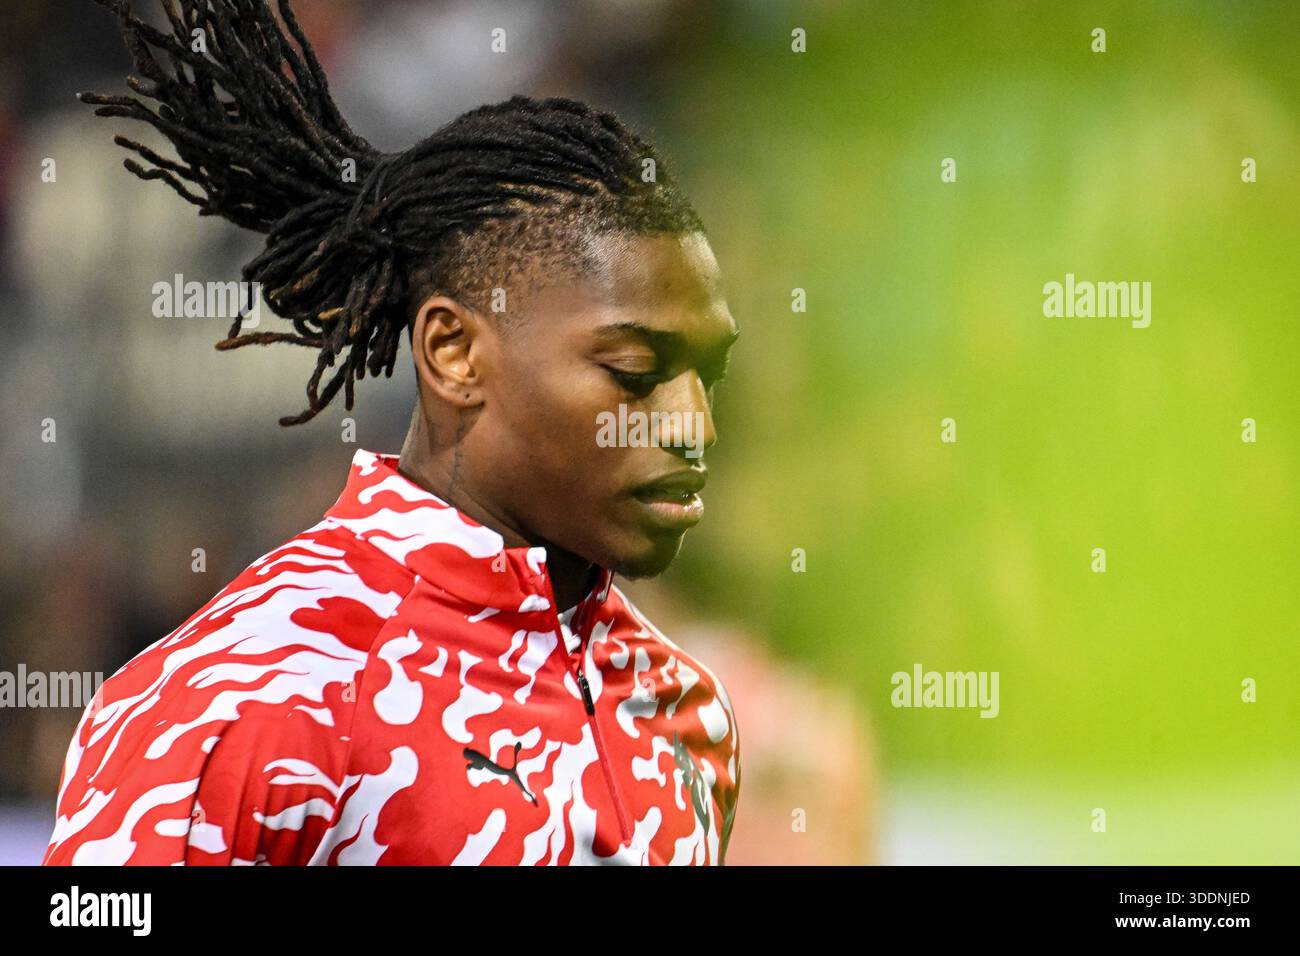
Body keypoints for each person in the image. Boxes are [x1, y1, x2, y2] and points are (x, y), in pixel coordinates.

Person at [44, 0, 740, 865]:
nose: (693, 425)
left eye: (707, 376)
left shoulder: (684, 709)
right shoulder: (245, 698)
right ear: (453, 353)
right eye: (635, 372)